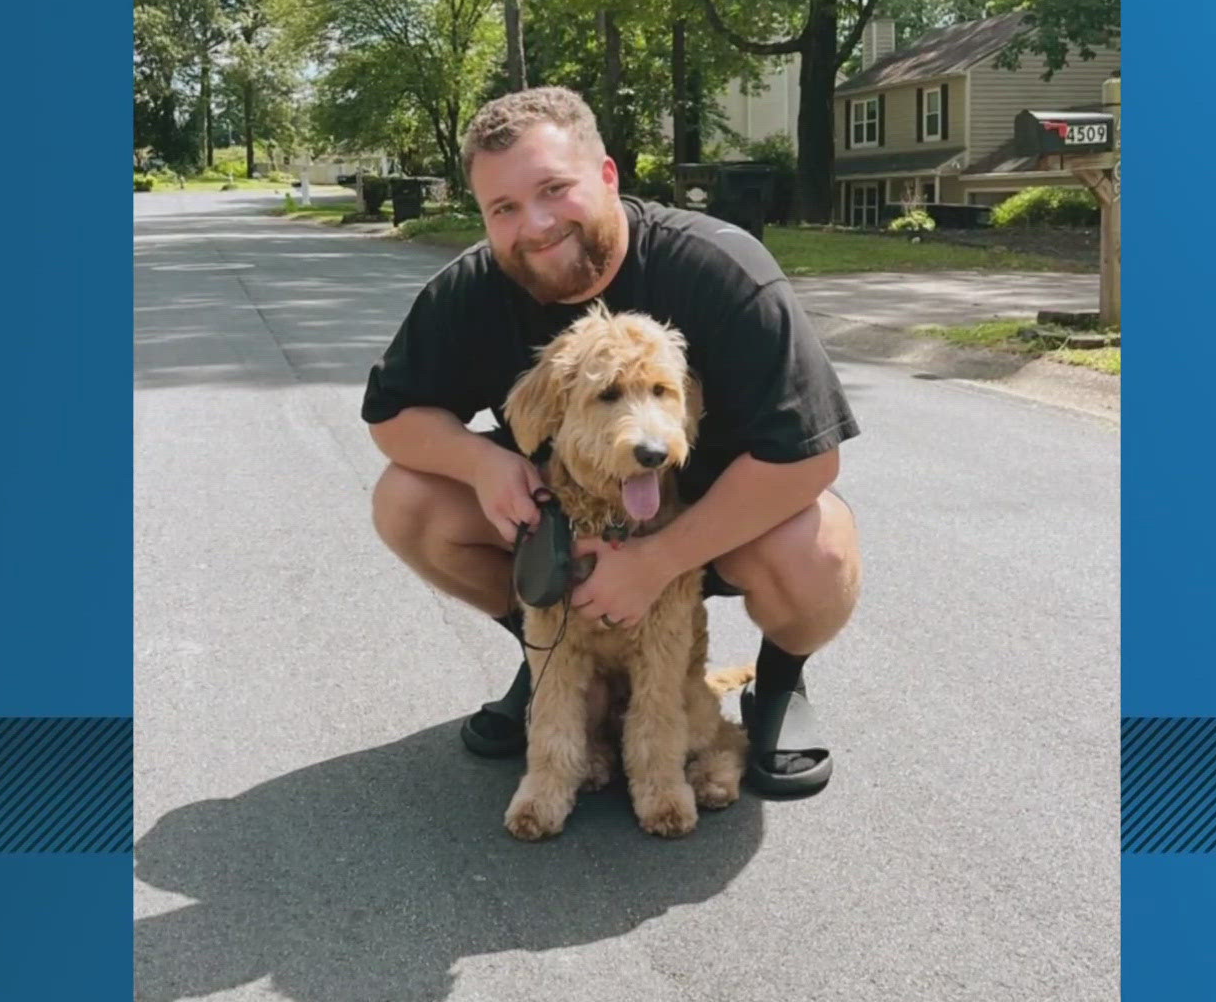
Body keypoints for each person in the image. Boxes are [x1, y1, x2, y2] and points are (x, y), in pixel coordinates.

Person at [362, 86, 861, 796]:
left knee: (819, 548)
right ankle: (554, 657)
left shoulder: (718, 268)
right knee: (406, 500)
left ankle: (780, 684)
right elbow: (392, 416)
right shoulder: (471, 290)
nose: (534, 226)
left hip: (722, 525)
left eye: (553, 190)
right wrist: (480, 463)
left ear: (606, 176)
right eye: (503, 208)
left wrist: (659, 560)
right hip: (567, 528)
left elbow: (809, 455)